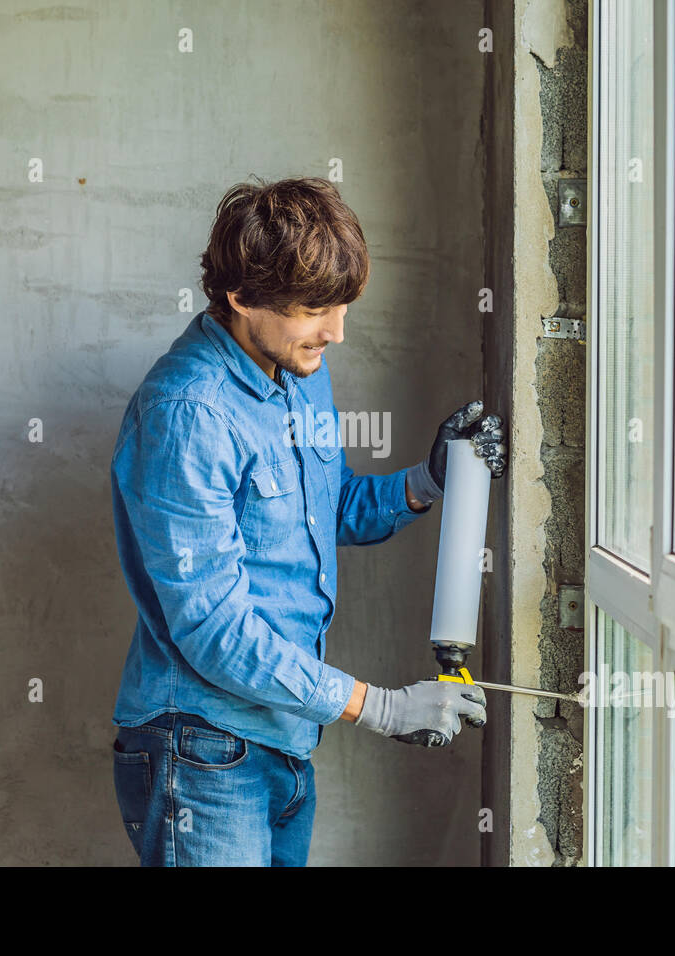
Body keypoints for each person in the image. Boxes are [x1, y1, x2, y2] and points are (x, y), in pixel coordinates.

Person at [108, 176, 507, 866]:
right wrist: (378, 707)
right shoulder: (188, 413)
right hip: (203, 751)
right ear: (240, 297)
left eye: (343, 307)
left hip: (286, 738)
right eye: (315, 309)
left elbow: (324, 512)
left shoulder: (297, 368)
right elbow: (212, 630)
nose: (337, 332)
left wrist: (430, 479)